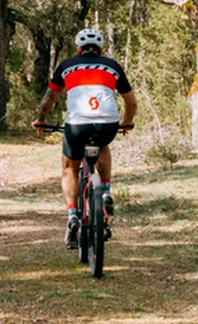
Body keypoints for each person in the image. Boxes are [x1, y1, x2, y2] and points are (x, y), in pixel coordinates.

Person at [32, 28, 137, 249]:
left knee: (70, 168)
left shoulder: (66, 66)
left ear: (78, 49)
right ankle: (106, 190)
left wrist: (41, 119)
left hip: (77, 124)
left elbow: (49, 99)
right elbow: (131, 102)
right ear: (100, 49)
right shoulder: (112, 66)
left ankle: (72, 214)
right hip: (107, 122)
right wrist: (127, 121)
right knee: (103, 145)